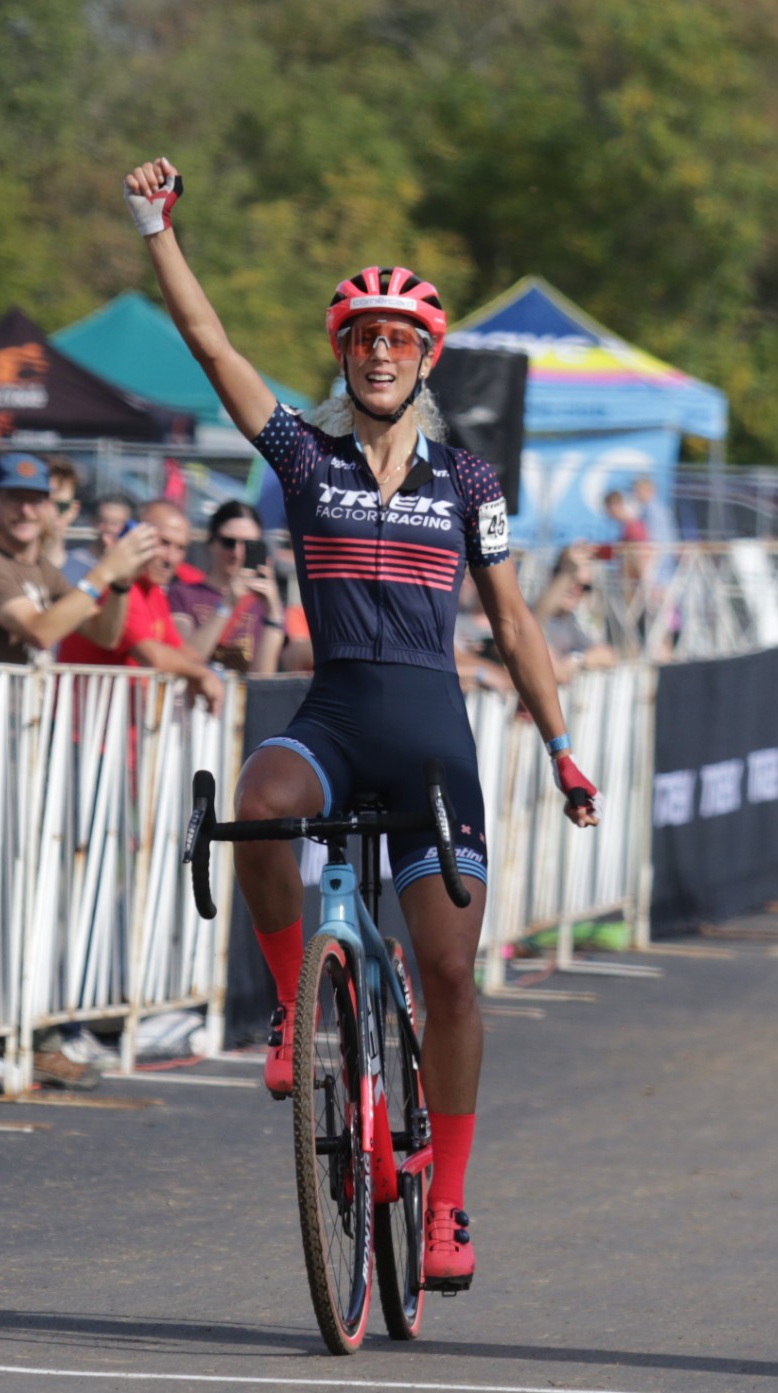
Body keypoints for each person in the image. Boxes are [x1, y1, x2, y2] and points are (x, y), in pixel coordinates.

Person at [126, 154, 598, 1292]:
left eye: (400, 339)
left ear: (426, 358)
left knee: (448, 978)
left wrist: (558, 744)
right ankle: (295, 1011)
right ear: (343, 353)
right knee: (255, 802)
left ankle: (448, 1206)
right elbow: (213, 351)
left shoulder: (467, 482)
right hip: (334, 715)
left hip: (433, 737)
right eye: (361, 338)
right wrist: (155, 232)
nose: (380, 353)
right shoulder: (304, 455)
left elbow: (516, 622)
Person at [0, 453, 158, 666]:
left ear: (48, 507)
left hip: (31, 698)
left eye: (35, 500)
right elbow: (40, 633)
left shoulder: (43, 568)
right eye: (14, 498)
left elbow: (105, 635)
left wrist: (119, 585)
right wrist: (104, 571)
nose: (25, 510)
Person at [55, 498, 228, 710]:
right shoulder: (118, 585)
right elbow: (153, 655)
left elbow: (181, 654)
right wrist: (201, 674)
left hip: (115, 730)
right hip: (84, 732)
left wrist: (226, 608)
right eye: (163, 543)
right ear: (135, 537)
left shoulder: (152, 590)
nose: (171, 558)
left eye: (181, 548)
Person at [169, 500, 285, 675]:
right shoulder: (182, 593)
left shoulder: (265, 604)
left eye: (248, 544)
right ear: (211, 542)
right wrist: (227, 604)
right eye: (228, 542)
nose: (237, 553)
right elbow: (186, 660)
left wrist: (273, 614)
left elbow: (263, 678)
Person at [533, 542, 617, 680]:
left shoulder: (572, 620)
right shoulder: (533, 617)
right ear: (552, 577)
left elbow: (608, 655)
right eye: (570, 581)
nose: (575, 590)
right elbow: (556, 673)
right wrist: (567, 570)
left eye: (584, 587)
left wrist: (577, 660)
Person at [65, 493, 136, 586]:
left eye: (116, 523)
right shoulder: (73, 561)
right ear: (93, 522)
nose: (109, 528)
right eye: (103, 521)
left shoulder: (134, 566)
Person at [42, 456, 90, 576]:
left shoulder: (88, 576)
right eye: (42, 504)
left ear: (73, 511)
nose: (50, 513)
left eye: (60, 506)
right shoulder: (1, 569)